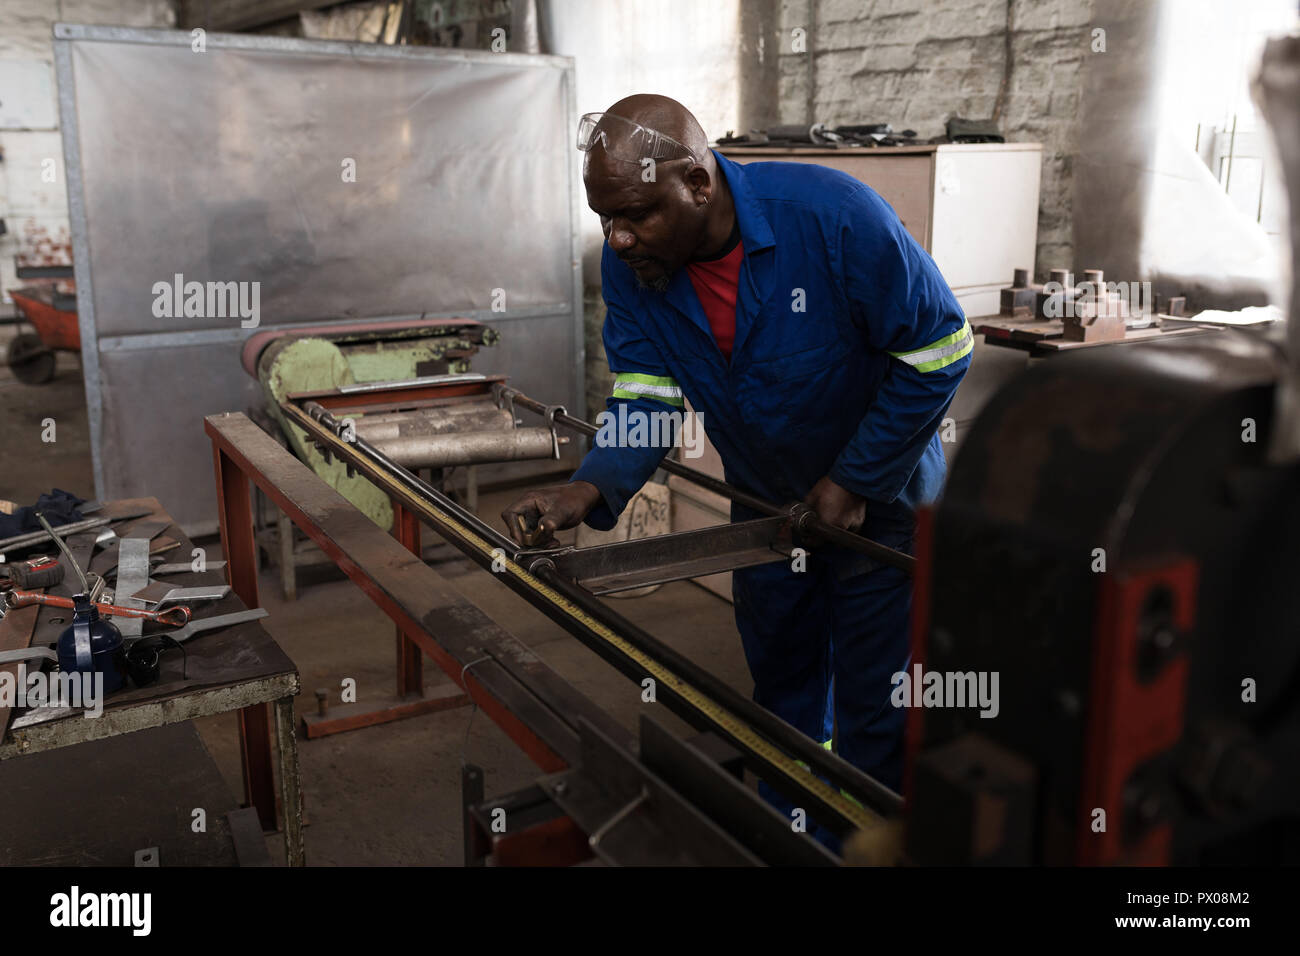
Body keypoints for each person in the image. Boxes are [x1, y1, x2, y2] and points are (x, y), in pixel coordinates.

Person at [502, 93, 970, 812]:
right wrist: (586, 490)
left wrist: (855, 479)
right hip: (767, 514)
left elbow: (940, 349)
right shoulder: (632, 270)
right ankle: (786, 830)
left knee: (879, 708)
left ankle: (862, 843)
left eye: (635, 214)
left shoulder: (832, 217)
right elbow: (648, 397)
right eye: (605, 218)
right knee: (781, 695)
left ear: (698, 182)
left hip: (882, 510)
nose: (618, 240)